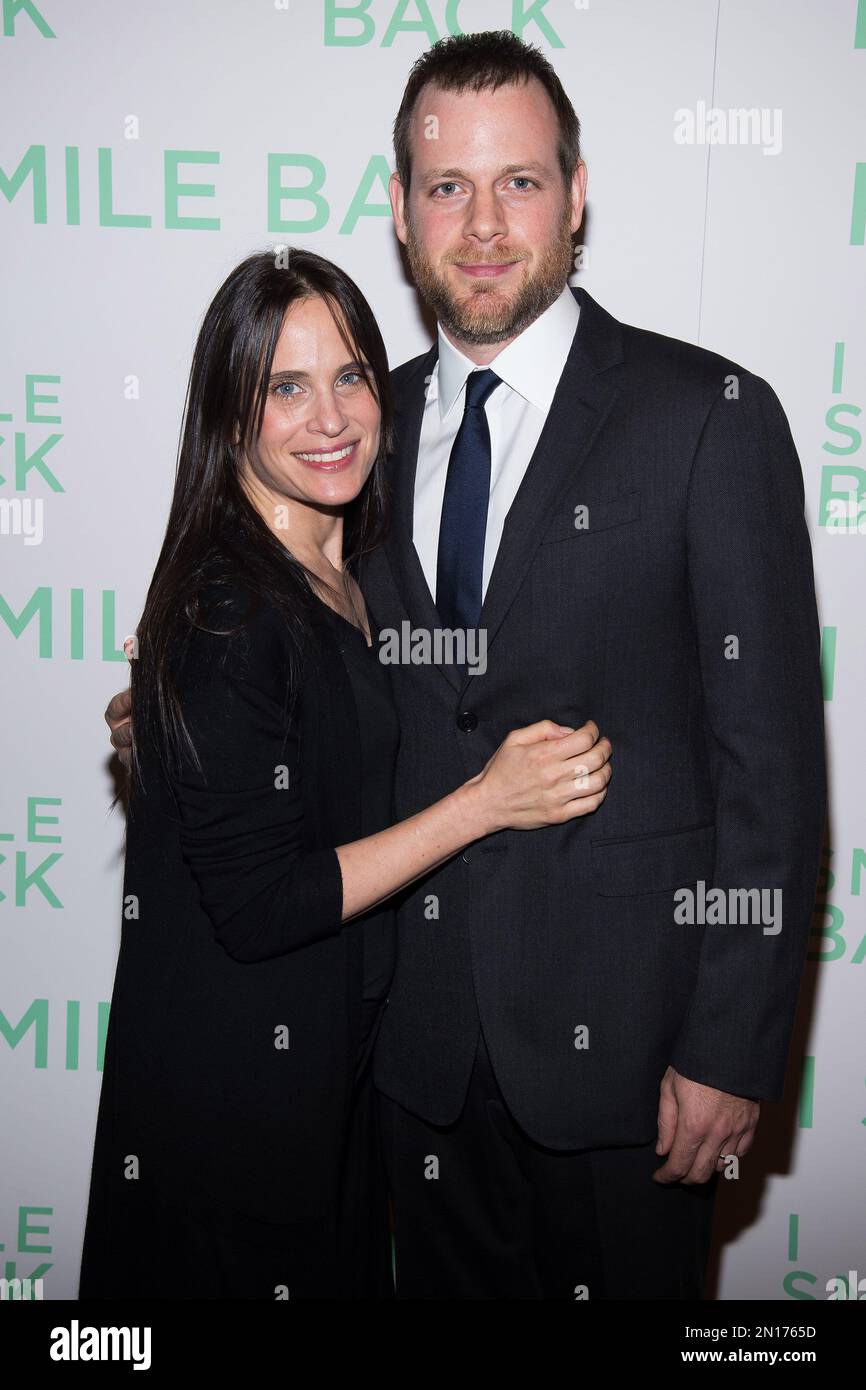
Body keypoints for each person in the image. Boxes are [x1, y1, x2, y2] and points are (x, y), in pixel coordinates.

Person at [107, 31, 826, 1300]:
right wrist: (176, 719)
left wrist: (731, 1046)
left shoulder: (707, 417)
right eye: (447, 187)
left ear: (577, 193)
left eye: (519, 182)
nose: (483, 225)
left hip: (630, 1067)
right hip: (407, 1059)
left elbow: (768, 766)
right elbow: (313, 675)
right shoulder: (351, 430)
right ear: (400, 211)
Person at [82, 247, 612, 1301]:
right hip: (232, 1121)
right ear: (231, 412)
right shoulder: (227, 604)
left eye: (350, 376)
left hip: (327, 1091)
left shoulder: (349, 565)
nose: (328, 417)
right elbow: (261, 903)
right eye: (284, 386)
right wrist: (483, 804)